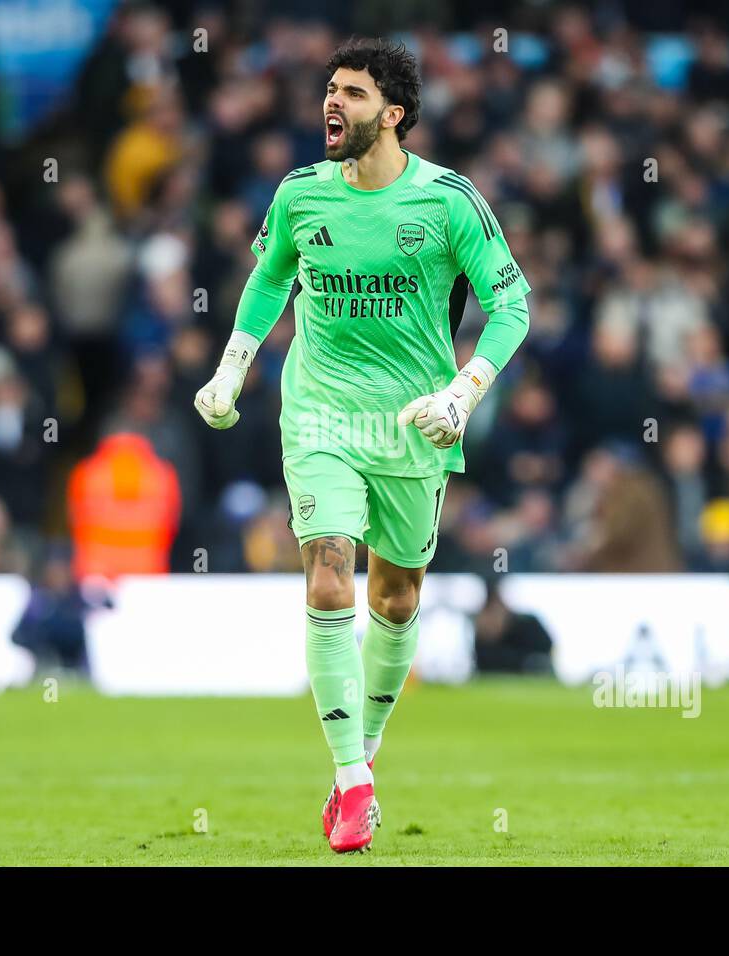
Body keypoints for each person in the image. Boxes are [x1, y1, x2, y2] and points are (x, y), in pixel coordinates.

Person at [192, 38, 531, 853]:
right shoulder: (301, 195)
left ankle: (364, 753)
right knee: (328, 567)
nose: (330, 105)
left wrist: (464, 391)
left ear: (395, 113)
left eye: (350, 93)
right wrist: (232, 369)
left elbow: (512, 305)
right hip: (320, 416)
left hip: (414, 423)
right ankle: (351, 783)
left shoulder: (448, 202)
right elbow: (272, 275)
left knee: (397, 598)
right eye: (328, 91)